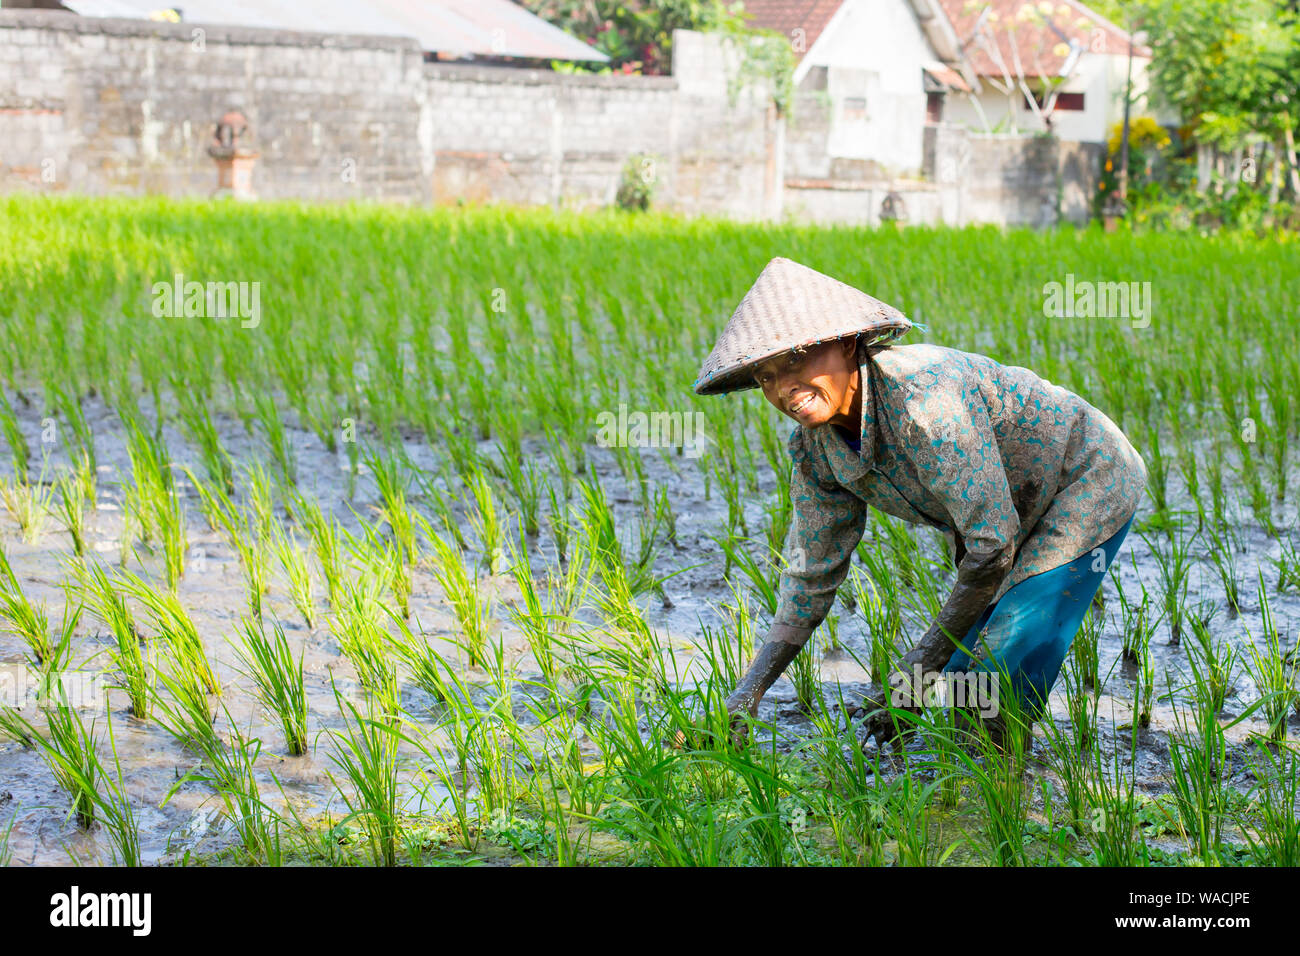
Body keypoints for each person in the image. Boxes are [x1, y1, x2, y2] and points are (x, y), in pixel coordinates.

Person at [692, 257, 1147, 749]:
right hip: (1003, 515)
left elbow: (991, 548)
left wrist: (915, 672)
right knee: (957, 681)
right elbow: (811, 575)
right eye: (766, 377)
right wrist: (749, 693)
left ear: (848, 344)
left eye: (797, 361)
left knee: (988, 688)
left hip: (1084, 479)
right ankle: (971, 790)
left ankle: (1003, 804)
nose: (784, 389)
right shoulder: (814, 450)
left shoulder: (923, 400)